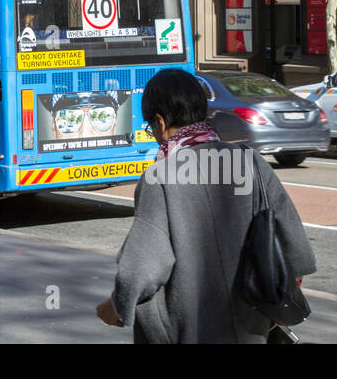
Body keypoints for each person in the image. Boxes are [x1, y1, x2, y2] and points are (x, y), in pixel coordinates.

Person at [96, 68, 315, 343]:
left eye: (151, 127)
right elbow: (297, 249)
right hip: (250, 328)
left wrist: (116, 306)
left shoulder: (161, 176)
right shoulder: (251, 161)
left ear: (160, 122)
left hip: (184, 332)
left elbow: (143, 268)